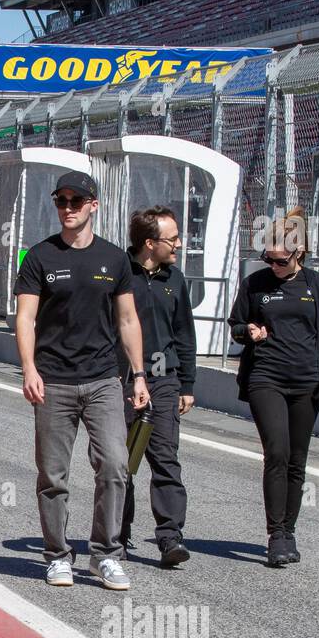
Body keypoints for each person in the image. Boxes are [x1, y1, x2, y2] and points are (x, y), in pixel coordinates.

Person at [15, 171, 149, 591]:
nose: (68, 208)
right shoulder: (39, 257)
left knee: (114, 464)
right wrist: (29, 369)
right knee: (53, 474)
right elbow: (25, 318)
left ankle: (106, 554)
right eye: (61, 200)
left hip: (104, 379)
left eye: (76, 201)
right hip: (52, 380)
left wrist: (140, 374)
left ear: (94, 205)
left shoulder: (114, 260)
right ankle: (56, 555)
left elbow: (128, 319)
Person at [227, 206, 319, 567]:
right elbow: (236, 324)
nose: (273, 265)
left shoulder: (318, 285)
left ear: (298, 254)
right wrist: (248, 332)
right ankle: (276, 534)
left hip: (308, 383)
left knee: (298, 459)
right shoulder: (255, 284)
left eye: (280, 260)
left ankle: (289, 531)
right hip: (265, 377)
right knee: (277, 452)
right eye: (268, 258)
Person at [118, 206, 196, 567]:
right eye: (173, 238)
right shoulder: (118, 273)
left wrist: (187, 385)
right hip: (119, 379)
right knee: (120, 462)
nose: (179, 244)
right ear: (149, 243)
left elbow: (184, 334)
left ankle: (170, 538)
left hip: (164, 379)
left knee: (165, 459)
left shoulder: (175, 279)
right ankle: (117, 533)